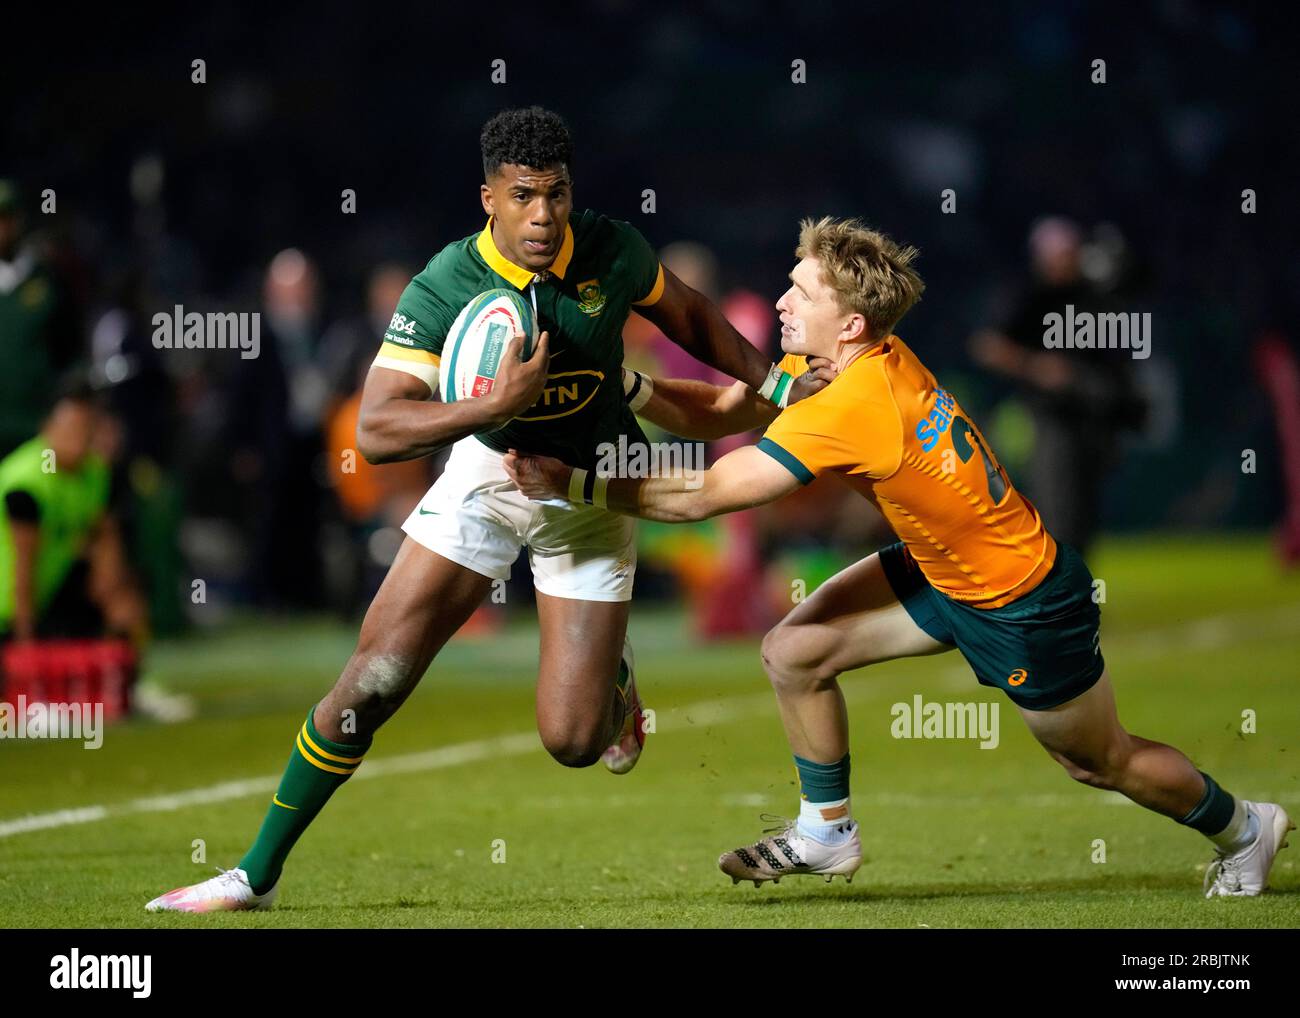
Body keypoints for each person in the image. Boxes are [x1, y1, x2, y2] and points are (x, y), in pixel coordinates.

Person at [146, 106, 829, 913]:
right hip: (487, 473)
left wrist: (775, 380)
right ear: (489, 198)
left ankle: (614, 682)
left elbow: (689, 317)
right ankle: (253, 873)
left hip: (588, 487)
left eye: (557, 194)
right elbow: (376, 427)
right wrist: (489, 405)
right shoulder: (446, 284)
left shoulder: (612, 249)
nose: (543, 216)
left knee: (574, 742)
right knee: (373, 679)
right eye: (524, 196)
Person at [506, 216, 1293, 898]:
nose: (780, 301)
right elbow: (724, 407)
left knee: (1101, 762)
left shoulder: (848, 404)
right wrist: (628, 384)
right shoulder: (853, 367)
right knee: (794, 651)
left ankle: (1244, 828)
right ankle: (825, 832)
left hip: (1020, 599)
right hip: (942, 564)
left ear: (848, 323)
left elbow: (705, 495)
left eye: (801, 294)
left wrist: (573, 482)